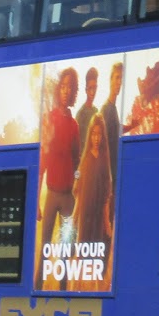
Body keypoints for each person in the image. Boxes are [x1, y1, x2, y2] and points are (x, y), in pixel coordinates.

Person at [70, 113, 114, 288]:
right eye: (93, 134)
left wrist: (106, 221)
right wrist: (75, 215)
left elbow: (107, 190)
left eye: (99, 134)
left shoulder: (104, 159)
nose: (96, 138)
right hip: (84, 214)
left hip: (97, 215)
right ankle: (73, 289)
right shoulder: (85, 159)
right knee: (80, 254)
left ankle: (97, 291)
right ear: (90, 135)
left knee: (95, 256)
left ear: (103, 136)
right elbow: (78, 185)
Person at [38, 67, 80, 248]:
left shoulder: (74, 125)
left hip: (68, 197)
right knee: (45, 247)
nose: (66, 91)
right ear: (58, 89)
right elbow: (42, 164)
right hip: (51, 195)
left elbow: (77, 164)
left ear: (73, 91)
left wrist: (77, 184)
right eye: (63, 86)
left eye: (70, 87)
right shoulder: (49, 119)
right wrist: (36, 202)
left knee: (66, 249)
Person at [124, 48, 159, 136]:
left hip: (158, 82)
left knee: (156, 72)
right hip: (158, 83)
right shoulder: (149, 95)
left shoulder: (150, 91)